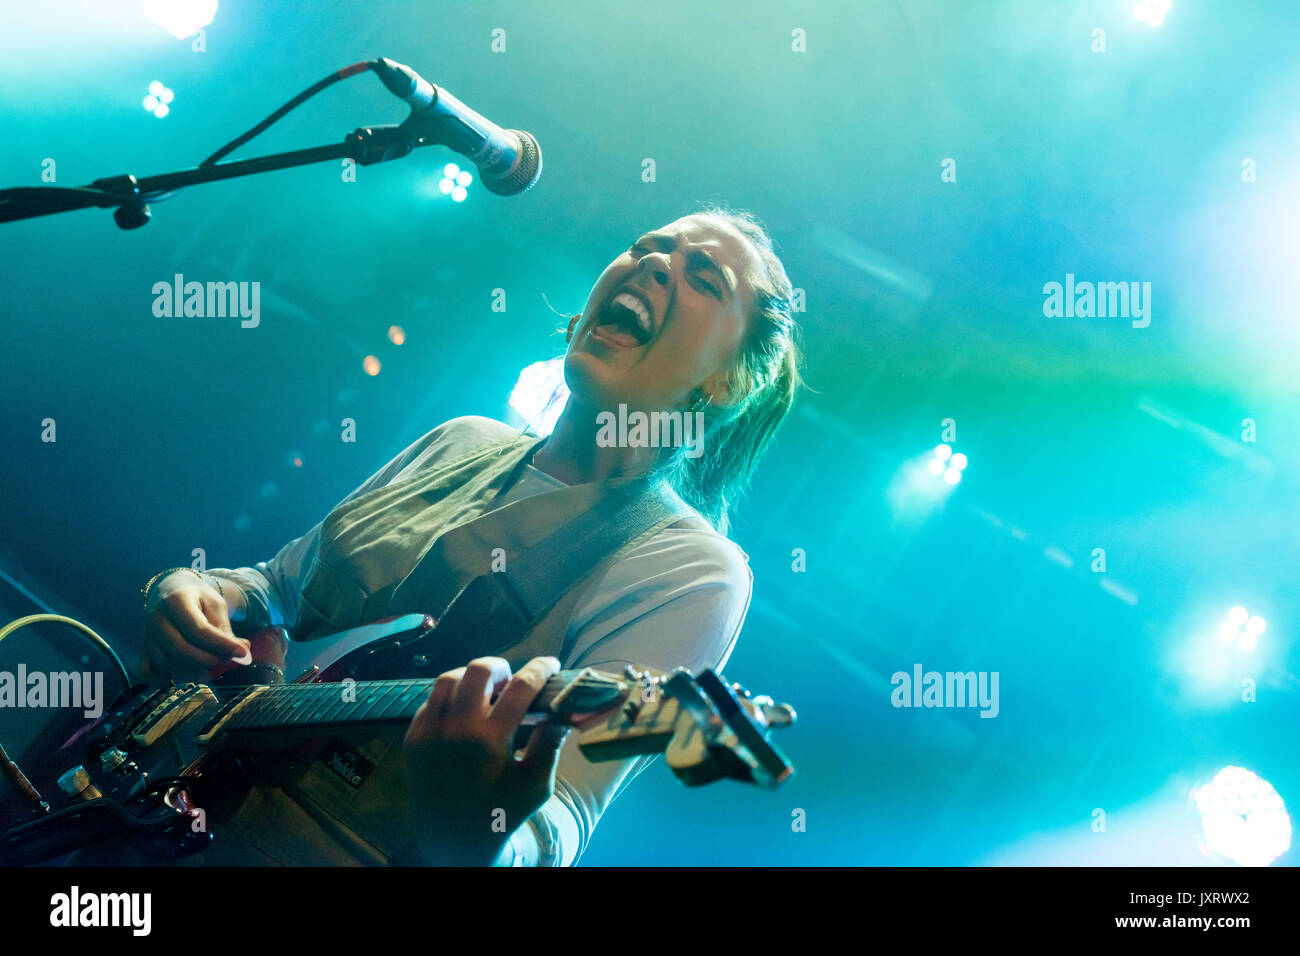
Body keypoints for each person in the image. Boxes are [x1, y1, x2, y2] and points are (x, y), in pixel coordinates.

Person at [138, 206, 803, 866]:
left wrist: (477, 833)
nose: (655, 263)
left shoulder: (692, 570)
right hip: (156, 812)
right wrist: (193, 589)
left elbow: (563, 818)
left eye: (704, 279)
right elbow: (274, 588)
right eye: (645, 247)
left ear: (730, 380)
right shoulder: (463, 439)